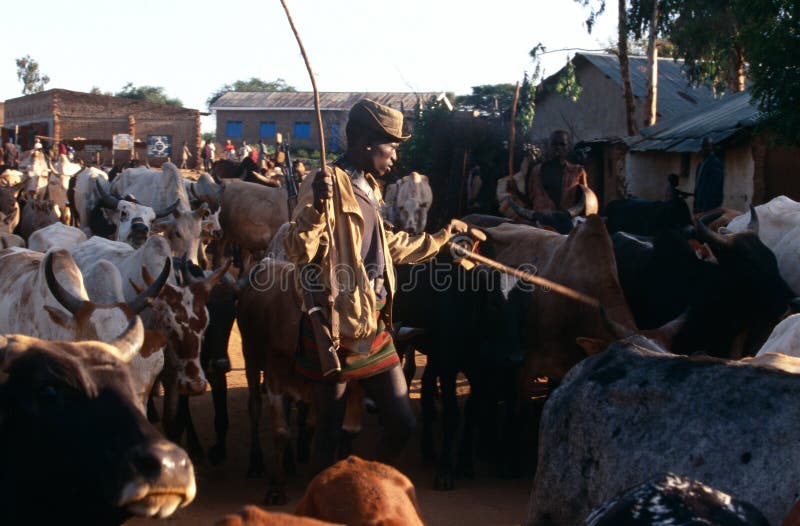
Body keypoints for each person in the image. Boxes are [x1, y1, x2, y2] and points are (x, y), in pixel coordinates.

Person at [283, 98, 467, 474]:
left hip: (373, 322)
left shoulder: (370, 187)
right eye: (392, 146)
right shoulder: (324, 183)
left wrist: (441, 239)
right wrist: (318, 209)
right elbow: (299, 249)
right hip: (335, 324)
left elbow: (388, 246)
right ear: (367, 141)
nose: (395, 158)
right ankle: (325, 507)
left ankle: (365, 484)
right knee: (328, 432)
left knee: (402, 422)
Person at [527, 130, 588, 211]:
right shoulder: (536, 172)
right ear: (548, 146)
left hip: (567, 220)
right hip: (541, 220)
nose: (558, 147)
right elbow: (530, 198)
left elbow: (585, 199)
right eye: (554, 144)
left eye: (562, 144)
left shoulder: (578, 172)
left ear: (568, 147)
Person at [693, 137, 724, 214]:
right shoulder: (701, 164)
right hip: (699, 205)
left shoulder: (715, 163)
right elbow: (698, 186)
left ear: (711, 147)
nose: (703, 148)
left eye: (705, 146)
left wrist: (708, 207)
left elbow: (715, 188)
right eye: (702, 146)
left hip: (709, 207)